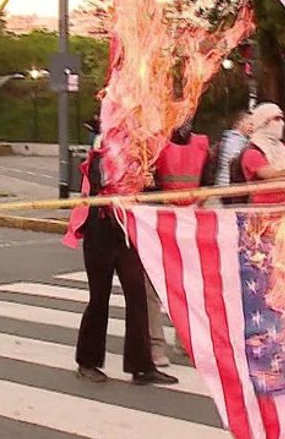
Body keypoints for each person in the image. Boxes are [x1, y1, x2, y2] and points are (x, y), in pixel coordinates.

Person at [75, 135, 178, 386]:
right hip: (100, 232)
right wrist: (135, 178)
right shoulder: (101, 154)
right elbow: (103, 183)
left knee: (137, 296)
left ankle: (141, 366)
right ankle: (87, 362)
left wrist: (148, 182)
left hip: (126, 233)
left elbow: (152, 192)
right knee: (99, 299)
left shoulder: (139, 158)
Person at [148, 121, 209, 365]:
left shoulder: (201, 144)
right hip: (161, 219)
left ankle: (185, 339)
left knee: (189, 284)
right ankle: (155, 344)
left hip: (190, 220)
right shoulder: (156, 144)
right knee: (154, 285)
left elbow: (207, 181)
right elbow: (148, 184)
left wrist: (200, 200)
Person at [239, 102, 285, 205]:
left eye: (282, 119)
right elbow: (272, 176)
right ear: (262, 122)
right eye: (277, 119)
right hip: (265, 209)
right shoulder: (252, 152)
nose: (282, 123)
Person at [211, 110, 252, 187]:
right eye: (250, 124)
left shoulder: (233, 139)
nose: (252, 128)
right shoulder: (234, 140)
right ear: (240, 123)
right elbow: (234, 162)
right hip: (227, 185)